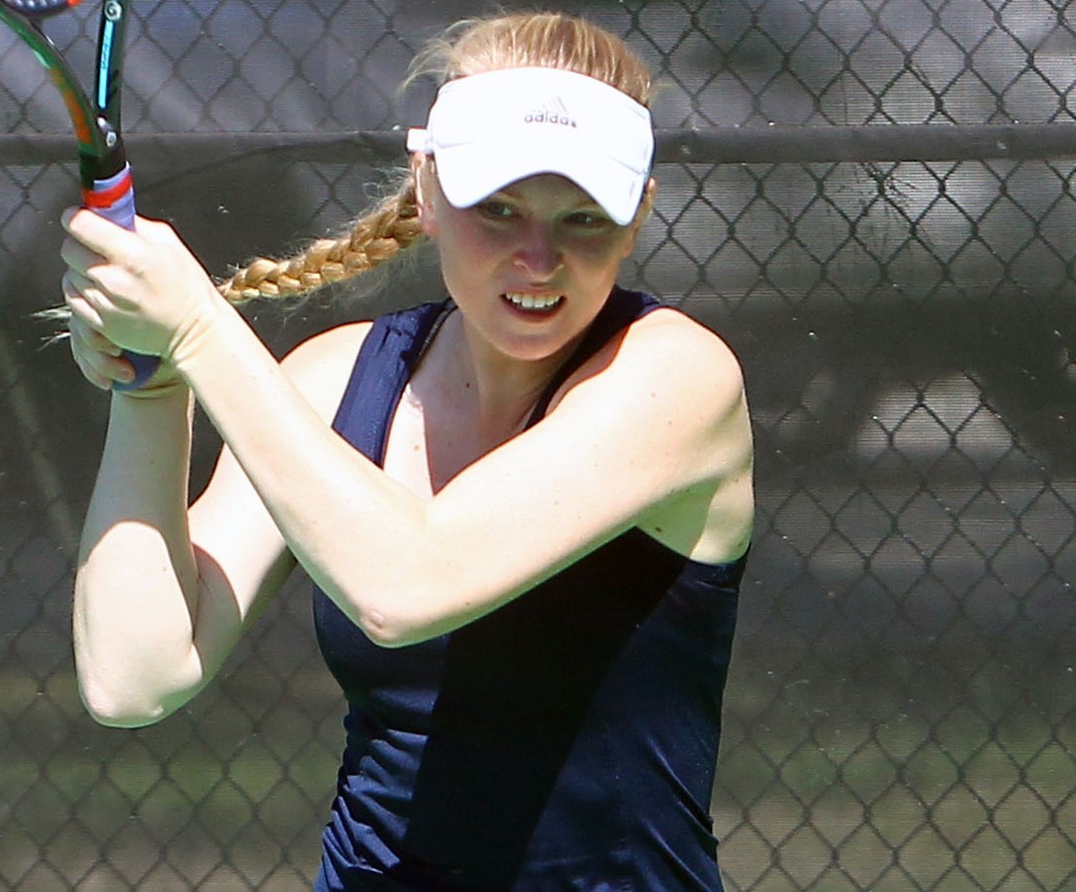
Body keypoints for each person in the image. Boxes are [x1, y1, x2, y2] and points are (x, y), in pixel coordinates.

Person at [57, 10, 755, 890]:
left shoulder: (676, 380)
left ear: (638, 216)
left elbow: (406, 584)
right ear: (426, 188)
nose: (537, 257)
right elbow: (135, 674)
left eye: (582, 219)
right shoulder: (332, 380)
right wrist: (154, 390)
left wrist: (197, 327)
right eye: (497, 208)